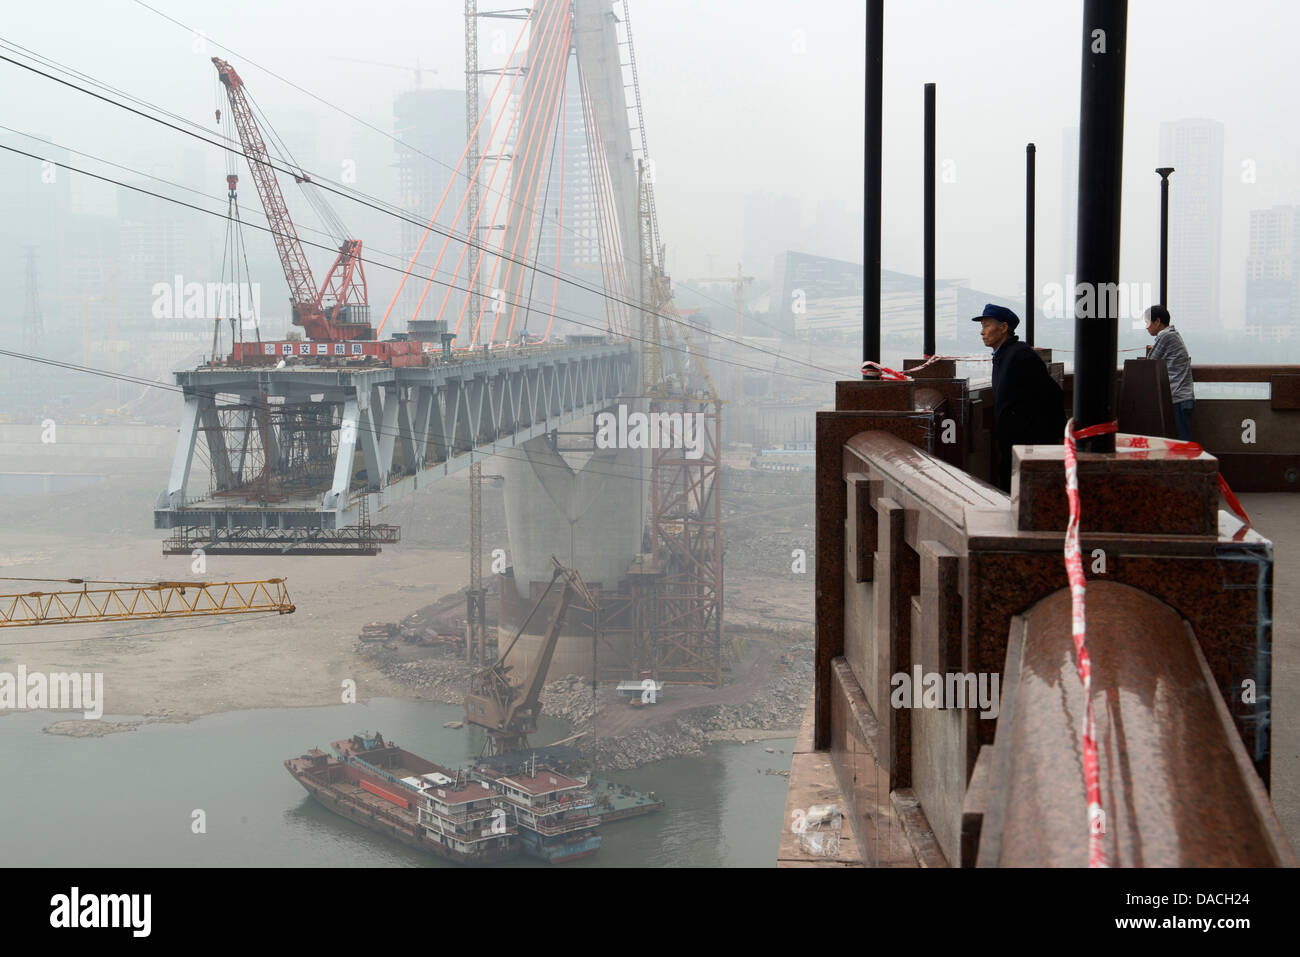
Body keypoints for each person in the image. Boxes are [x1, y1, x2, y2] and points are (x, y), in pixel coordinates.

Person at [972, 303, 1067, 492]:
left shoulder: (1020, 355)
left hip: (1027, 444)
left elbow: (1052, 394)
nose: (982, 332)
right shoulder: (1003, 354)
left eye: (986, 326)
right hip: (1012, 443)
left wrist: (1052, 436)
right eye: (981, 327)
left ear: (1004, 328)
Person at [1143, 304, 1195, 441]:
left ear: (1158, 321)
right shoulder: (1172, 335)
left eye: (1148, 322)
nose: (1146, 327)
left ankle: (1187, 463)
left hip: (1177, 397)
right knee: (1182, 440)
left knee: (1183, 442)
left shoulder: (1165, 336)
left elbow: (1150, 362)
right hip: (1183, 397)